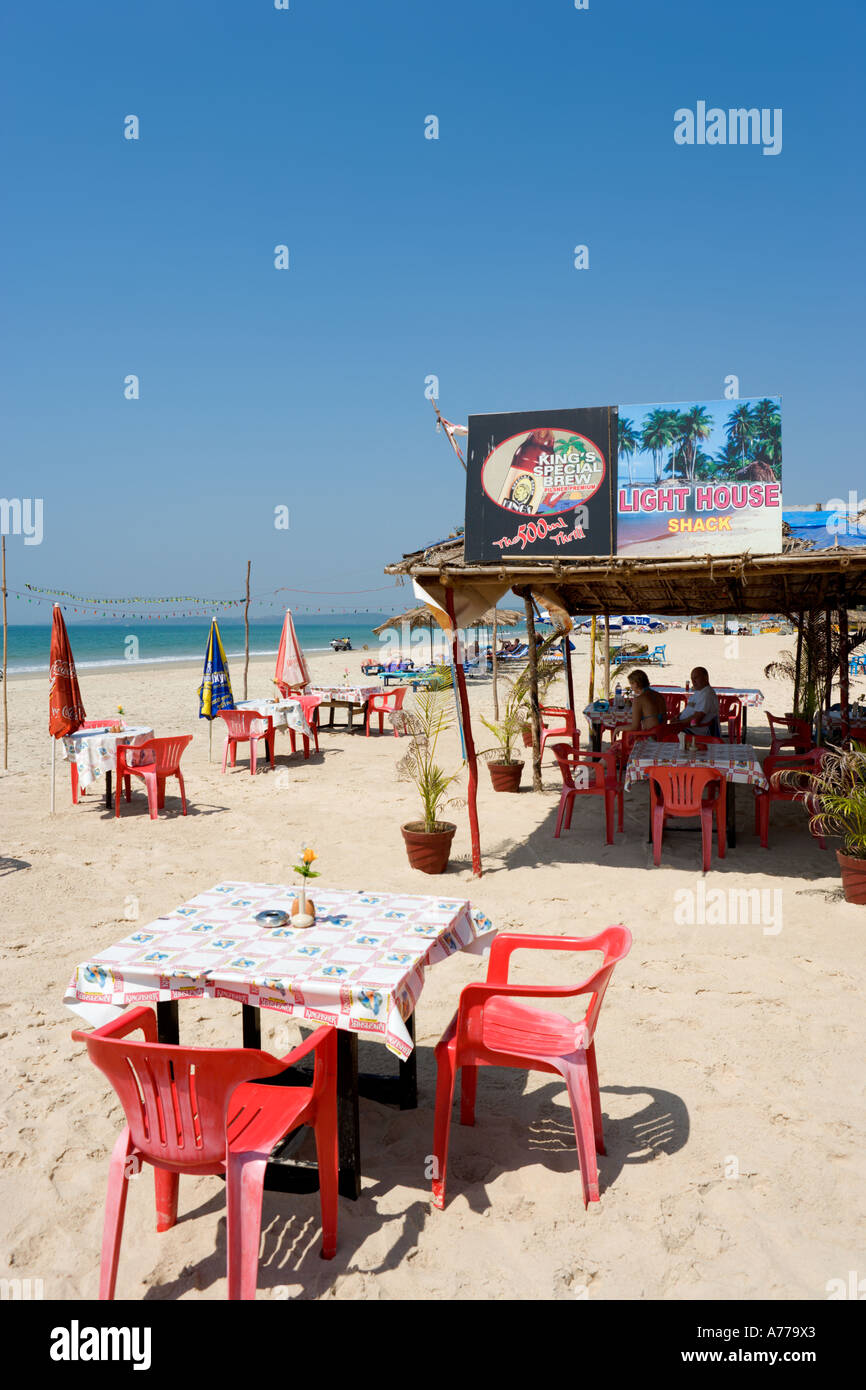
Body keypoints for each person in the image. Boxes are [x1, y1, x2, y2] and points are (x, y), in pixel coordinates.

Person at [672, 667, 721, 738]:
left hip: (695, 731)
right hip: (686, 727)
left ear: (706, 678)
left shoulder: (707, 694)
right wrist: (678, 717)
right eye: (692, 679)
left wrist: (679, 724)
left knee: (664, 734)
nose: (693, 681)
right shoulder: (699, 692)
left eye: (696, 678)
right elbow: (689, 709)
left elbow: (695, 720)